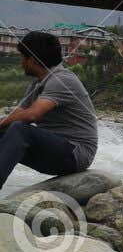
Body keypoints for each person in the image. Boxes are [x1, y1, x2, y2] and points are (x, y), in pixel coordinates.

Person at [0, 31, 98, 191]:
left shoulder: (62, 79)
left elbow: (32, 115)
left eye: (21, 57)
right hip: (55, 151)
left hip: (77, 153)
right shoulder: (37, 84)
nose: (20, 63)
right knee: (6, 129)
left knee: (19, 129)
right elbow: (15, 114)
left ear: (31, 60)